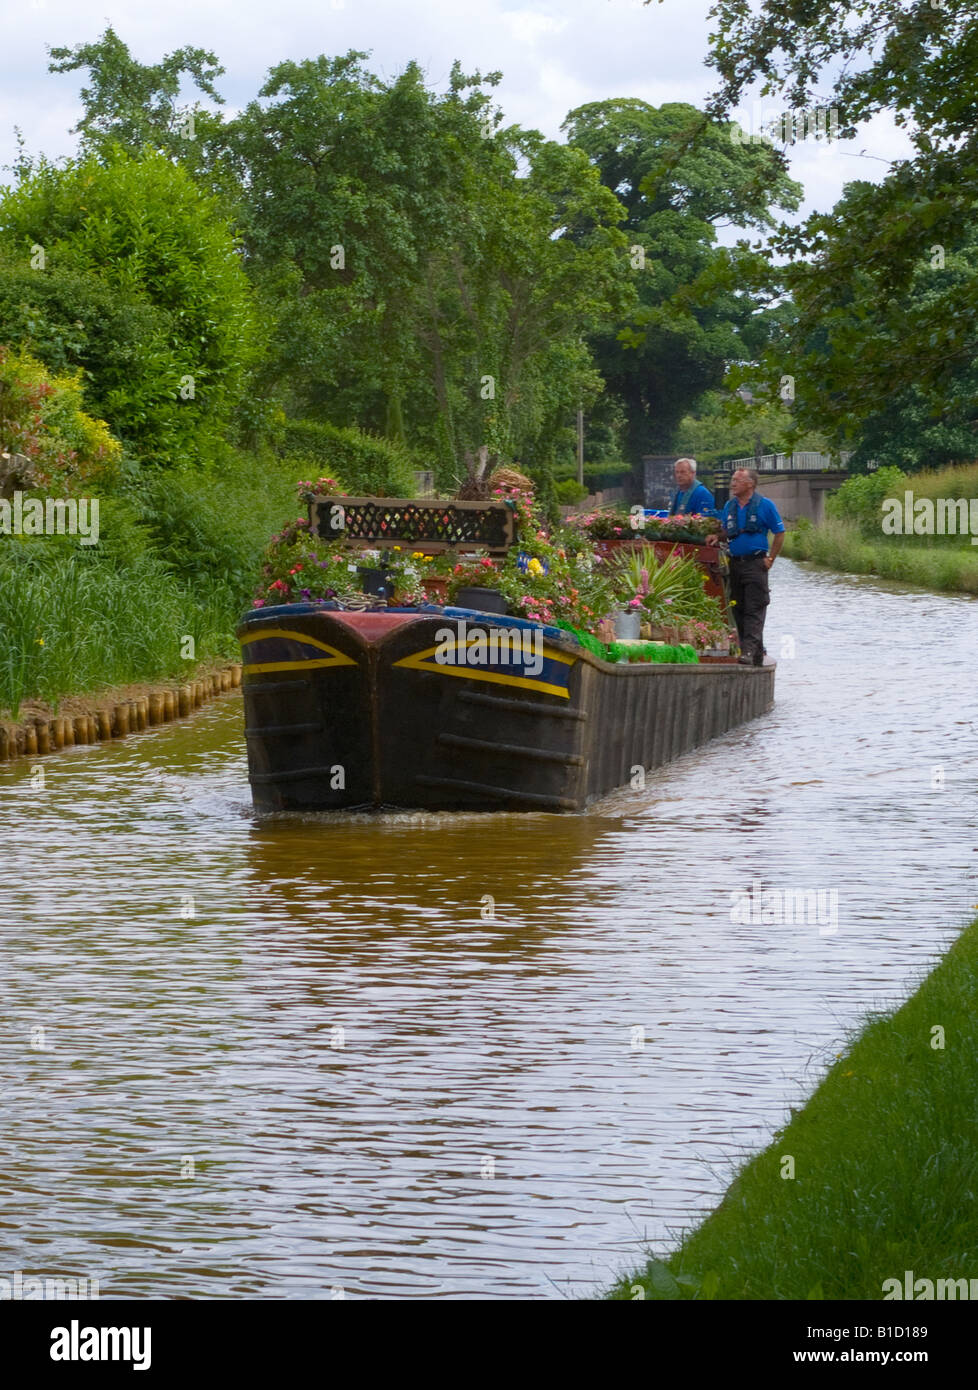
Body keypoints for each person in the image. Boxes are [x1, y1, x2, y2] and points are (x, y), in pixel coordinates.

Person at [720, 467, 785, 666]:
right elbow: (726, 532)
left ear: (750, 484)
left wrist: (771, 559)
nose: (732, 484)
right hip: (735, 564)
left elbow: (779, 532)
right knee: (737, 607)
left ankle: (747, 652)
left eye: (737, 480)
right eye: (732, 480)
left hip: (756, 564)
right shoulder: (729, 506)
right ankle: (756, 652)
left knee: (754, 608)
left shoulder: (765, 506)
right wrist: (715, 536)